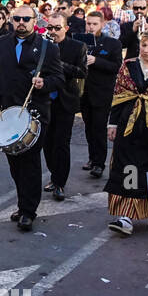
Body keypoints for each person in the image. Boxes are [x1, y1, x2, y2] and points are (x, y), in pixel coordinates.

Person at [0, 5, 62, 232]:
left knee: (29, 163)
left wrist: (44, 83)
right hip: (8, 113)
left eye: (26, 19)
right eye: (17, 18)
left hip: (35, 113)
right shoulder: (1, 43)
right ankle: (23, 203)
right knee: (15, 163)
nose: (21, 22)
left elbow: (58, 78)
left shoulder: (48, 48)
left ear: (34, 20)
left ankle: (28, 211)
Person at [105, 28, 148, 236]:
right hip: (129, 125)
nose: (146, 50)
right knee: (127, 168)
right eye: (143, 45)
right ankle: (126, 216)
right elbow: (119, 94)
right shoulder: (129, 65)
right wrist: (113, 123)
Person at [41, 13, 86, 202]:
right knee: (46, 143)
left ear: (66, 28)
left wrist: (59, 65)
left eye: (57, 28)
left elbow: (82, 72)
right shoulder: (41, 46)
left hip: (65, 100)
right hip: (44, 100)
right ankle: (53, 174)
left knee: (61, 143)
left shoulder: (77, 46)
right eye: (49, 28)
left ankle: (60, 182)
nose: (52, 32)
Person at [75, 11, 124, 181]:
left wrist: (96, 61)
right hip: (83, 92)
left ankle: (99, 163)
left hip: (101, 92)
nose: (90, 27)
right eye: (88, 23)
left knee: (99, 127)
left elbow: (116, 66)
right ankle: (92, 157)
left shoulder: (112, 43)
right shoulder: (80, 40)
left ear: (102, 24)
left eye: (94, 24)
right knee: (89, 127)